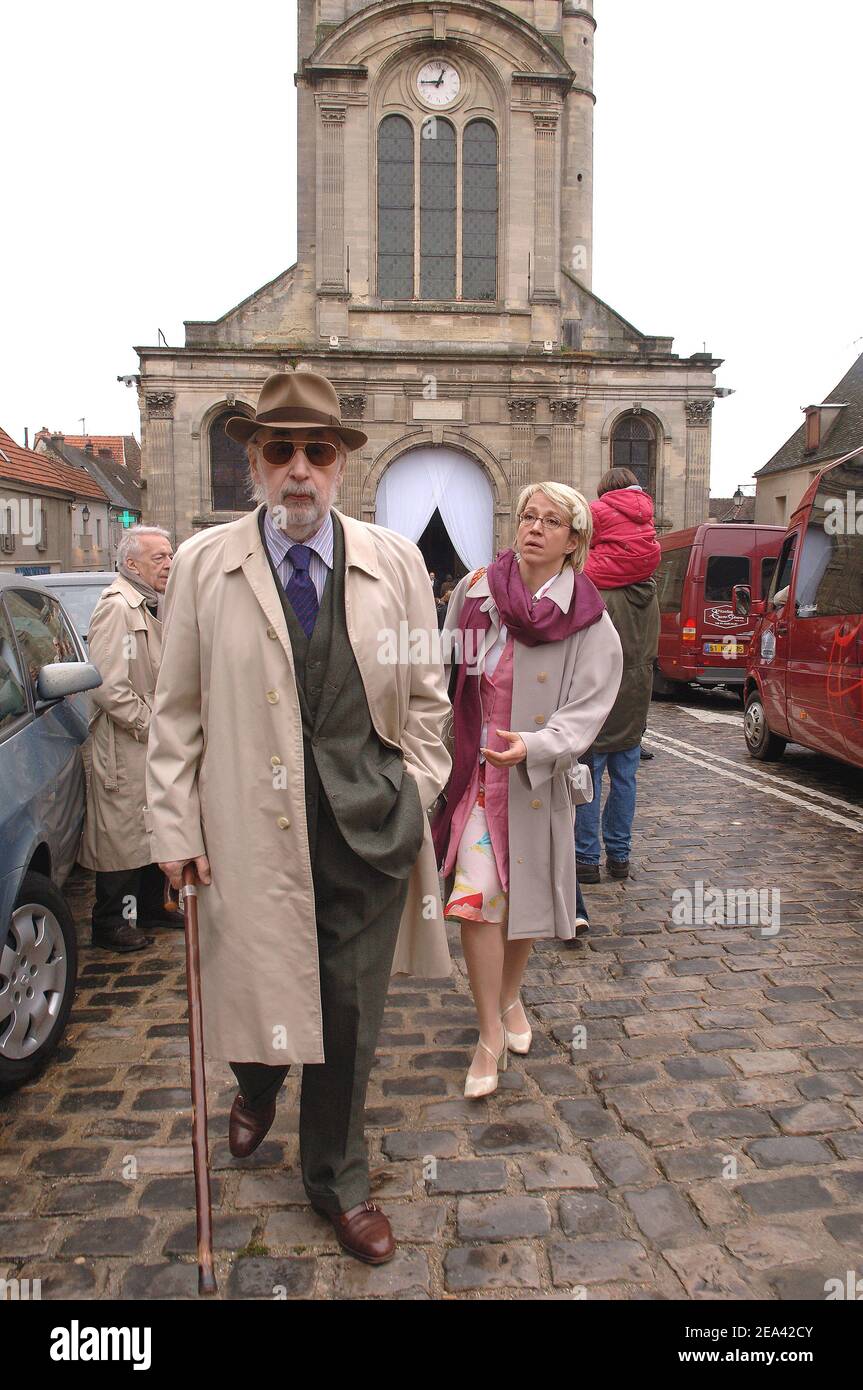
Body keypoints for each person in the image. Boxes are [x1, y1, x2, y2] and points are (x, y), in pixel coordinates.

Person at [146, 369, 451, 1266]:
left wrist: (416, 790)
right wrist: (174, 830)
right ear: (253, 461)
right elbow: (176, 712)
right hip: (247, 826)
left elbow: (429, 699)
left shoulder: (392, 561)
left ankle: (337, 1180)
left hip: (368, 829)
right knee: (259, 989)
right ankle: (253, 1085)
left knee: (350, 1015)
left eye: (317, 451)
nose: (299, 470)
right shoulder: (207, 565)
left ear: (340, 466)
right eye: (279, 450)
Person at [432, 482, 623, 1097]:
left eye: (551, 521)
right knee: (477, 899)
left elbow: (589, 707)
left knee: (522, 905)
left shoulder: (588, 616)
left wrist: (536, 746)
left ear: (574, 541)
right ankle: (489, 1030)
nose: (534, 528)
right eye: (527, 517)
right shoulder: (475, 591)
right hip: (476, 777)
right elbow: (445, 671)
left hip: (535, 780)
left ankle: (512, 997)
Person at [78, 525, 175, 951]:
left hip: (149, 737)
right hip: (125, 741)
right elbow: (107, 686)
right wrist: (151, 724)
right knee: (121, 833)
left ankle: (152, 907)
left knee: (153, 825)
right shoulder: (117, 607)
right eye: (159, 558)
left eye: (170, 556)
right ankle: (109, 922)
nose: (169, 564)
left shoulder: (154, 603)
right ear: (131, 564)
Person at [575, 468, 661, 886]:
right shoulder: (649, 586)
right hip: (638, 692)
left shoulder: (596, 586)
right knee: (625, 777)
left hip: (600, 693)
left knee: (589, 775)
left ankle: (587, 859)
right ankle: (621, 857)